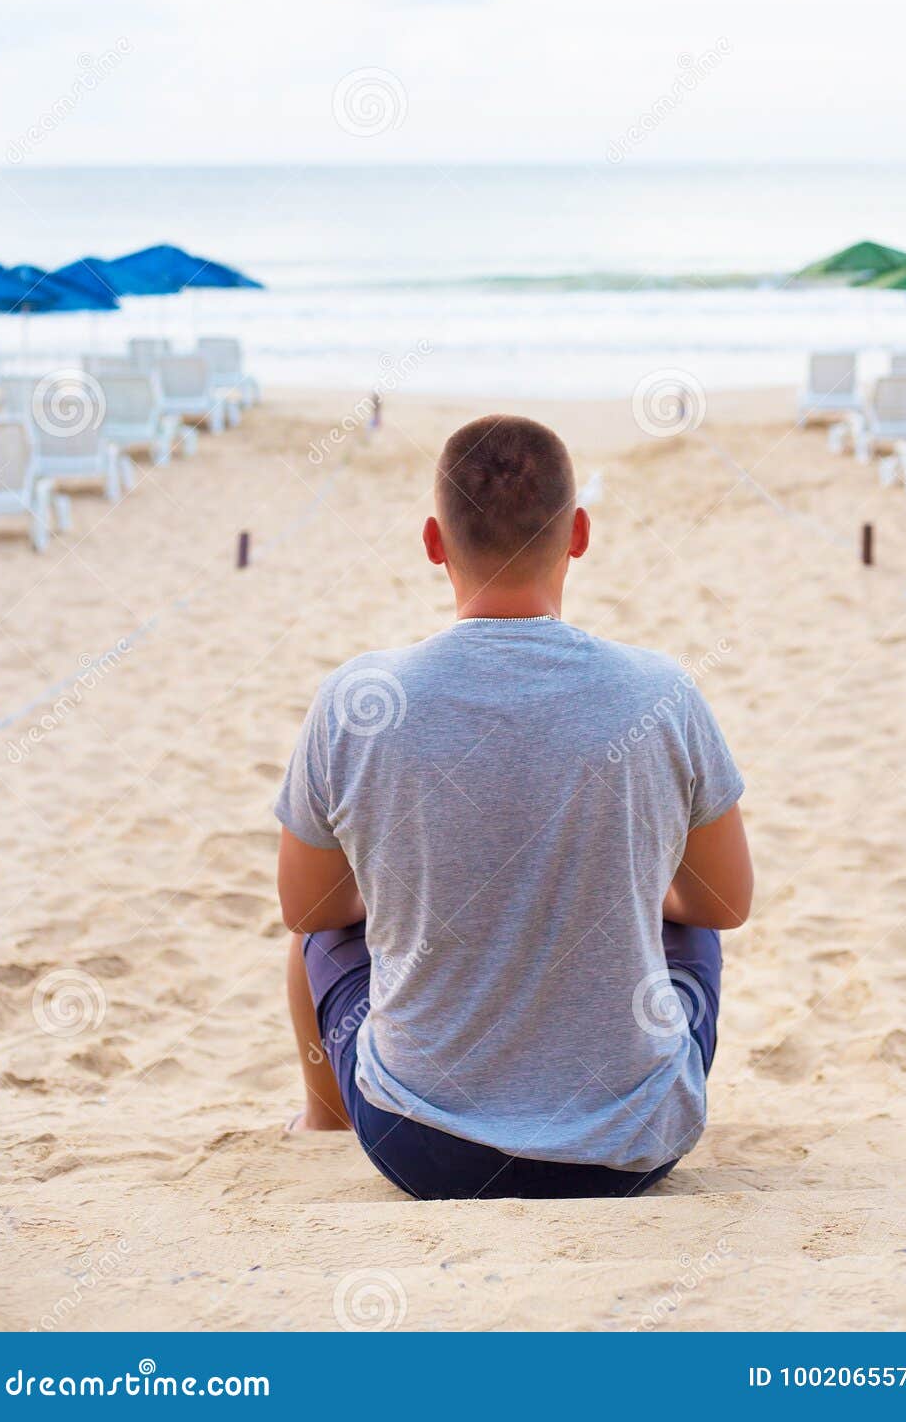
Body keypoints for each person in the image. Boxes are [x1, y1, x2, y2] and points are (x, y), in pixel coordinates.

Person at [276, 414, 752, 1199]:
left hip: (421, 1147)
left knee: (322, 936)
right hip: (626, 1150)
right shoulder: (661, 692)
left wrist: (416, 888)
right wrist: (628, 888)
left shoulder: (355, 699)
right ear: (580, 534)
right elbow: (724, 903)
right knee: (686, 924)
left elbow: (305, 907)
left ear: (433, 541)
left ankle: (323, 1120)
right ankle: (620, 1077)